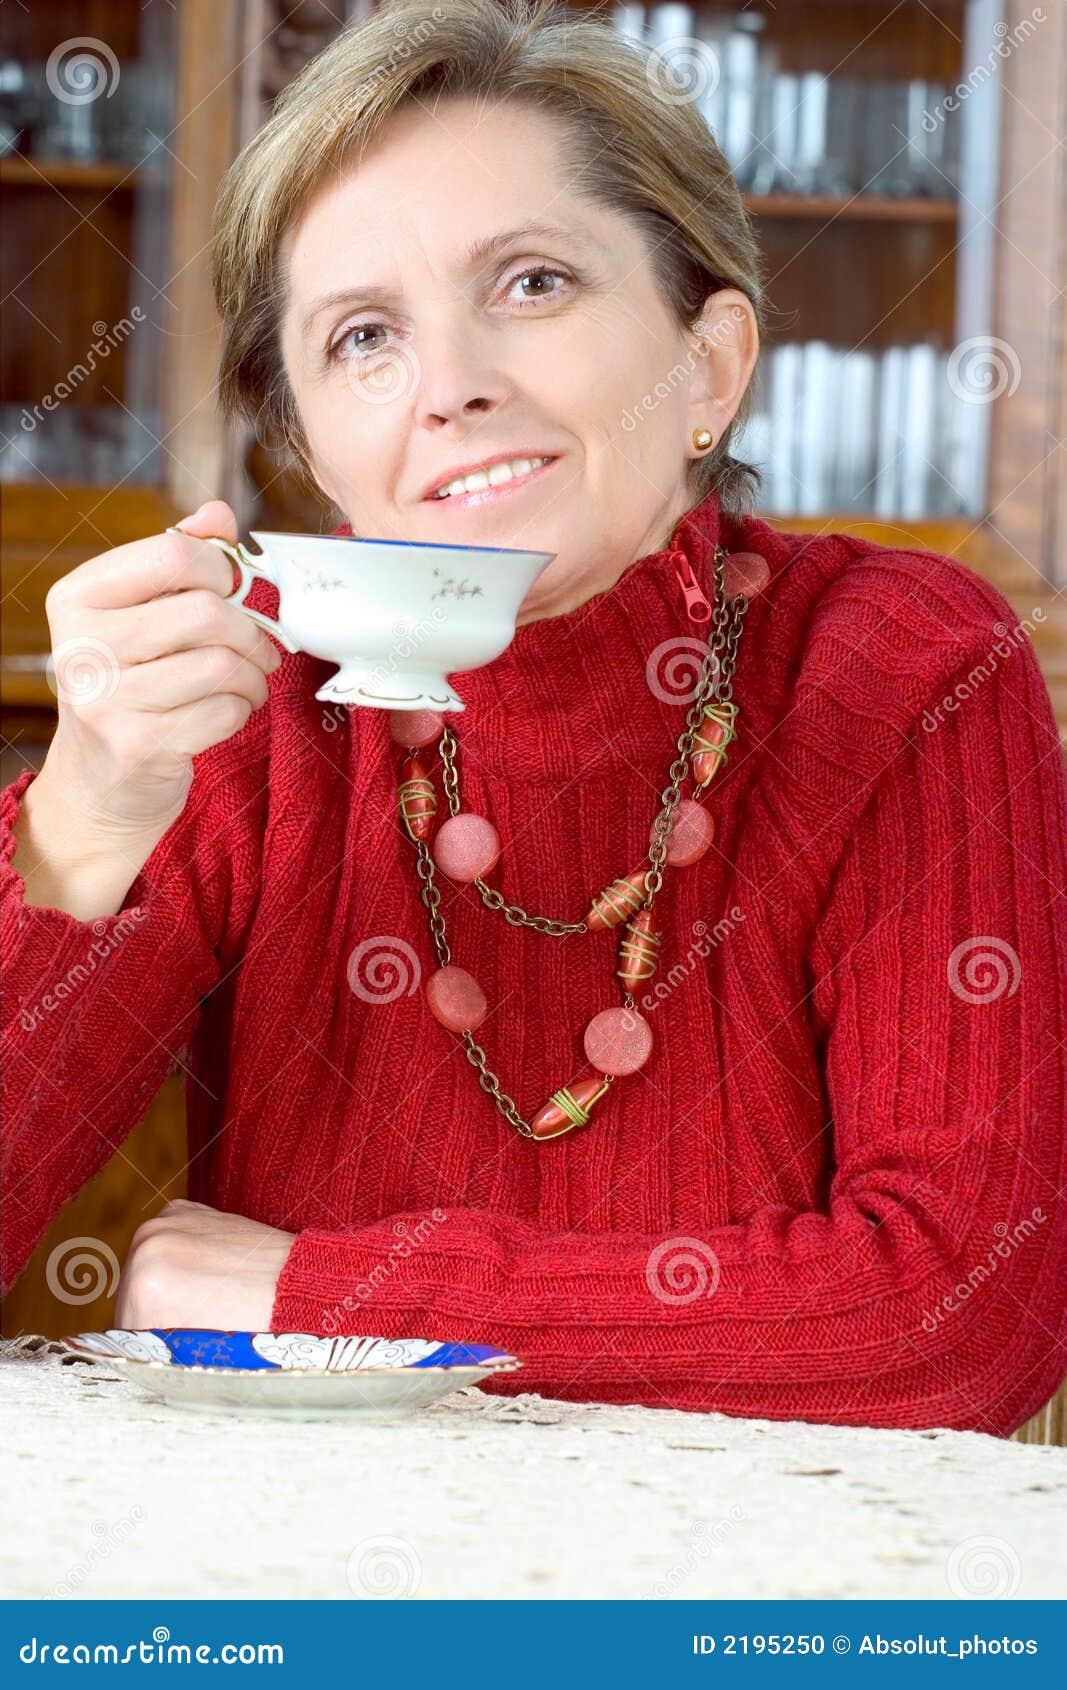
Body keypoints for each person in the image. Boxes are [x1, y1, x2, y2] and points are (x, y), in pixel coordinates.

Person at [3, 0, 1065, 1435]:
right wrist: (86, 815)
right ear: (314, 447)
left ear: (709, 363)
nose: (454, 385)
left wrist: (338, 1299)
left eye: (534, 282)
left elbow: (953, 1321)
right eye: (365, 335)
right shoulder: (246, 710)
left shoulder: (907, 670)